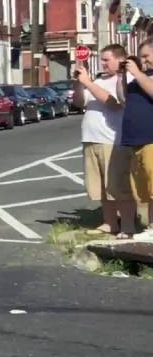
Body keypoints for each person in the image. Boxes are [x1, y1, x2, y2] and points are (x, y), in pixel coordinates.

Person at [75, 45, 135, 237]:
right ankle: (110, 223)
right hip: (91, 139)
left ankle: (127, 225)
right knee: (101, 188)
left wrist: (89, 83)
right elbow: (78, 102)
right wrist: (79, 82)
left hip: (112, 140)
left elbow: (115, 103)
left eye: (106, 60)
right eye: (101, 60)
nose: (102, 63)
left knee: (118, 187)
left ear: (120, 60)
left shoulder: (125, 79)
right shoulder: (98, 80)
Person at [120, 39, 153, 240]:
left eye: (146, 56)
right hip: (136, 141)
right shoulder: (140, 77)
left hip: (151, 138)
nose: (143, 61)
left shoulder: (143, 77)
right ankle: (150, 227)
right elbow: (123, 97)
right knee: (144, 190)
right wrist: (122, 75)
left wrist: (137, 73)